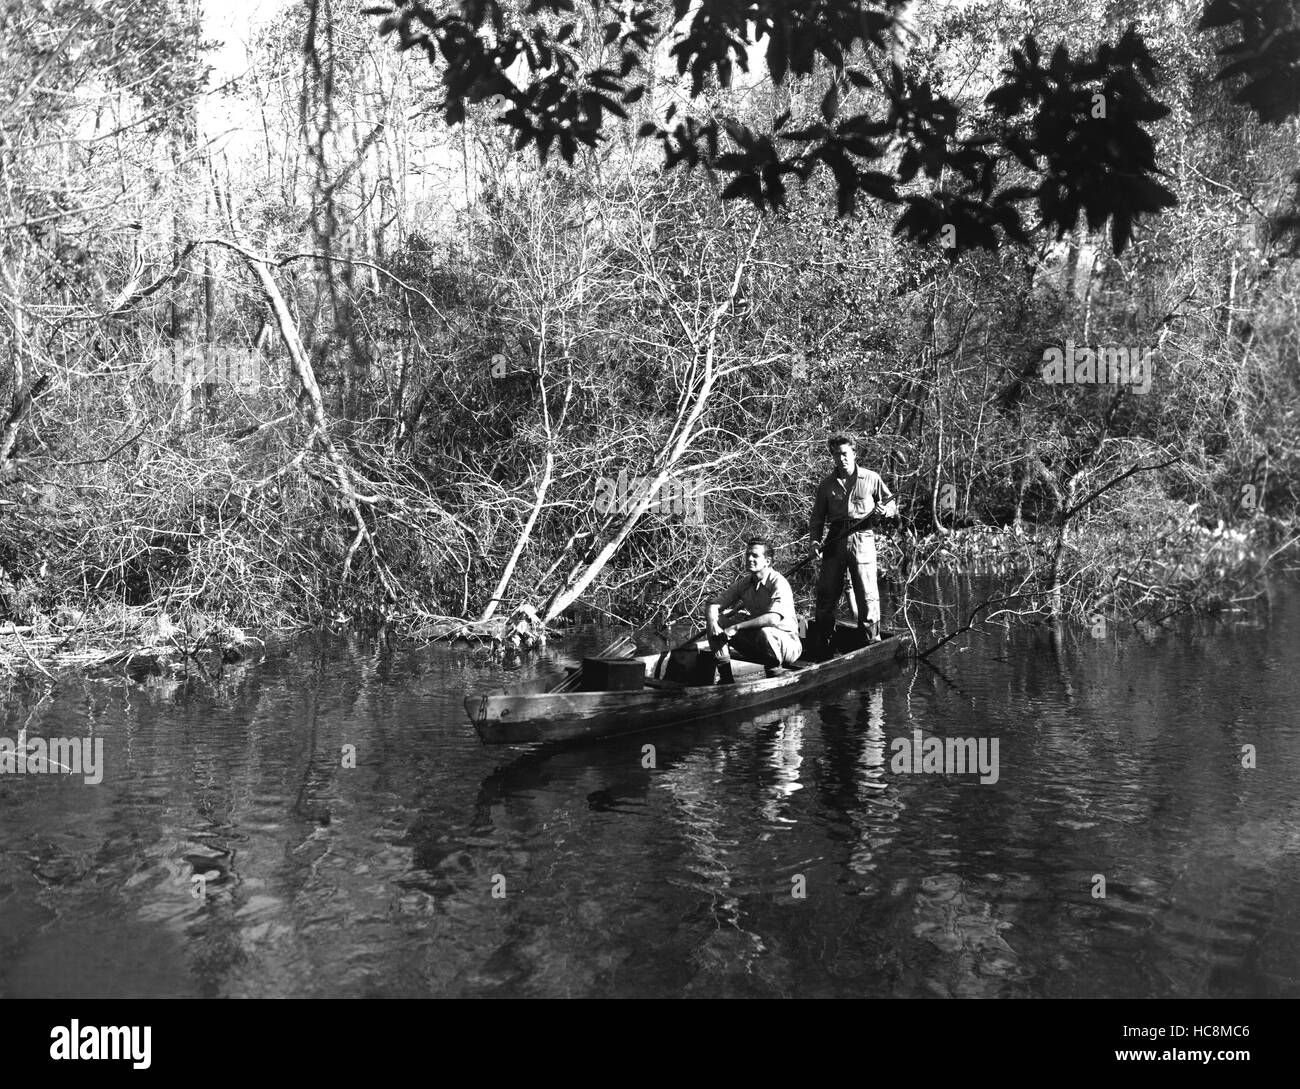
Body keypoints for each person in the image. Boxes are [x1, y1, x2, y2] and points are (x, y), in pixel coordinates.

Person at [809, 434, 898, 651]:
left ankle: (870, 641)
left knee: (867, 592)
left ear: (854, 454)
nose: (841, 458)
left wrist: (885, 510)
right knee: (827, 592)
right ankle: (824, 642)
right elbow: (817, 518)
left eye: (845, 453)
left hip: (863, 537)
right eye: (836, 454)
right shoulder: (826, 486)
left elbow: (891, 503)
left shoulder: (871, 478)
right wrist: (814, 542)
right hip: (835, 539)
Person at [705, 537, 803, 681]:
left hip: (788, 646)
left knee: (766, 631)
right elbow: (712, 605)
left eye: (755, 555)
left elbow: (772, 619)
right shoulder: (744, 583)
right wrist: (713, 623)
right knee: (715, 620)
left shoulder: (778, 582)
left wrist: (737, 627)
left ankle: (775, 676)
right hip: (760, 642)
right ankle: (726, 678)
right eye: (747, 555)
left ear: (767, 561)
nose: (749, 559)